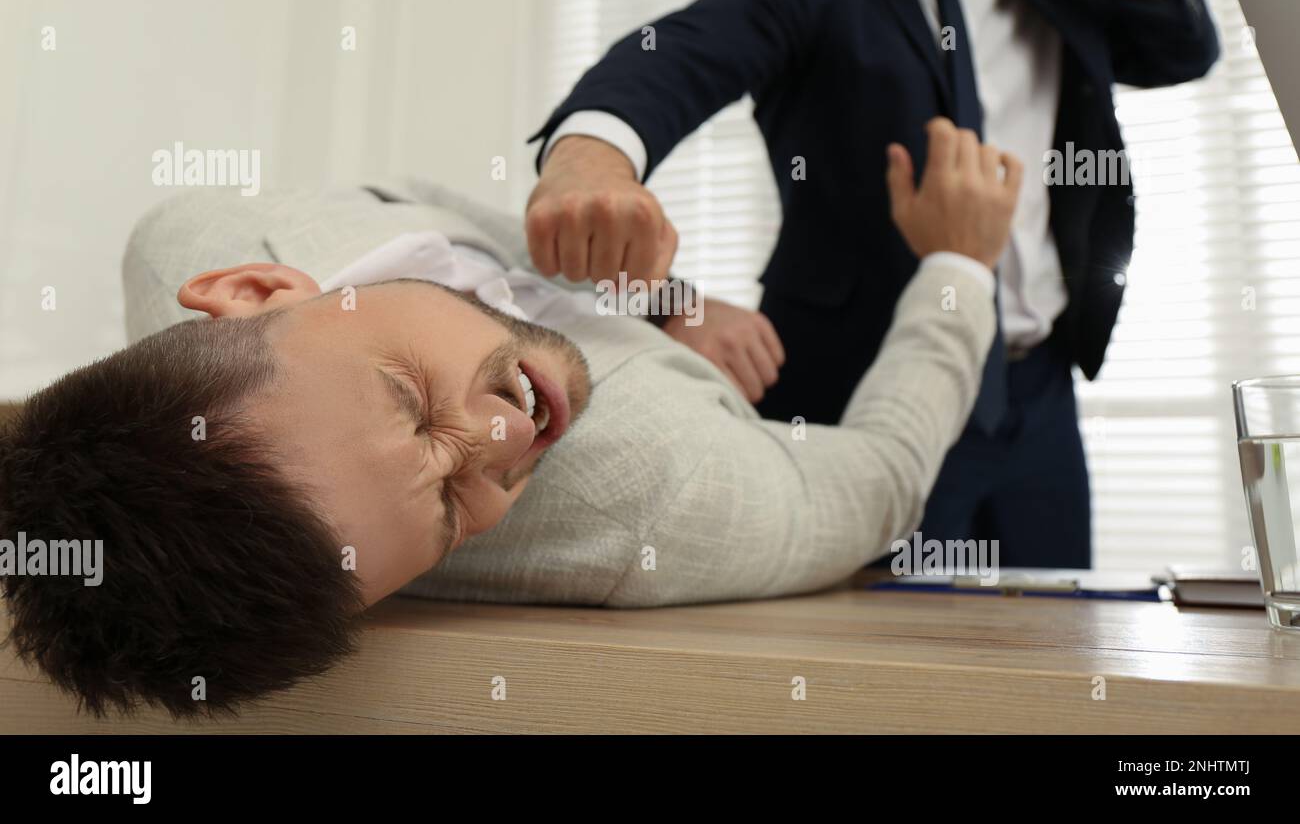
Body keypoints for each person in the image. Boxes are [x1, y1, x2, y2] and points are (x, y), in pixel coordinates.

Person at [1, 119, 1017, 716]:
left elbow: (417, 210)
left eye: (406, 397)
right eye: (450, 506)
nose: (504, 439)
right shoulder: (662, 502)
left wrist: (661, 300)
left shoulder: (192, 230)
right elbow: (881, 471)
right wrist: (961, 262)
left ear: (257, 285)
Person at [526, 0, 1221, 568]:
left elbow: (1184, 50)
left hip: (1039, 401)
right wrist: (592, 156)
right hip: (858, 397)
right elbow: (681, 53)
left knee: (1056, 649)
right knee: (875, 662)